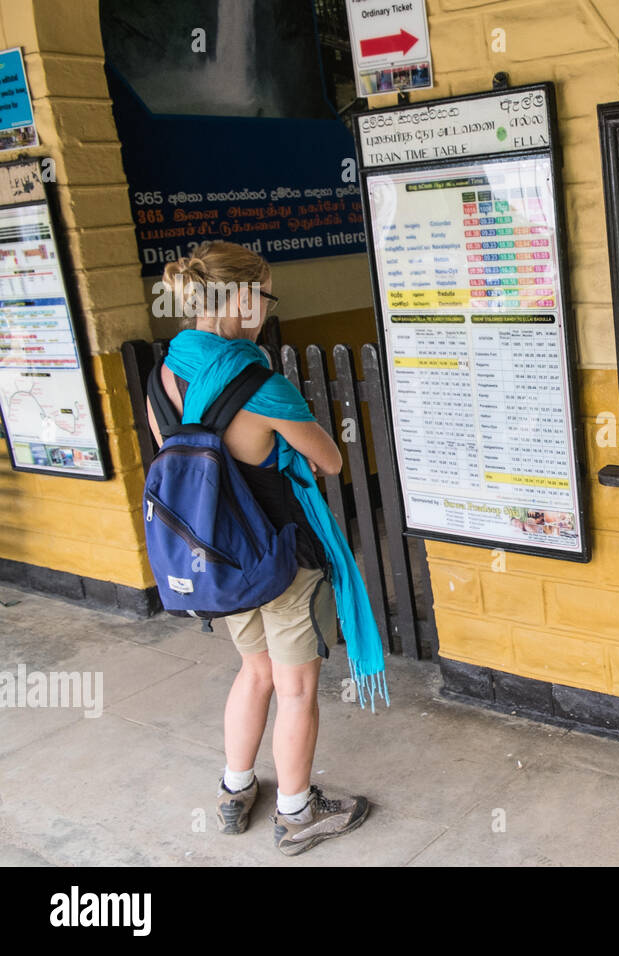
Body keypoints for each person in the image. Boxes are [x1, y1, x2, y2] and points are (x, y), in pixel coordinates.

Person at [145, 240, 371, 856]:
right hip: (279, 560)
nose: (268, 310)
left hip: (211, 558)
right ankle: (298, 812)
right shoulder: (259, 383)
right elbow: (330, 460)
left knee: (254, 671)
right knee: (297, 688)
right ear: (242, 297)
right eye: (265, 296)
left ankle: (235, 788)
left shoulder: (162, 374)